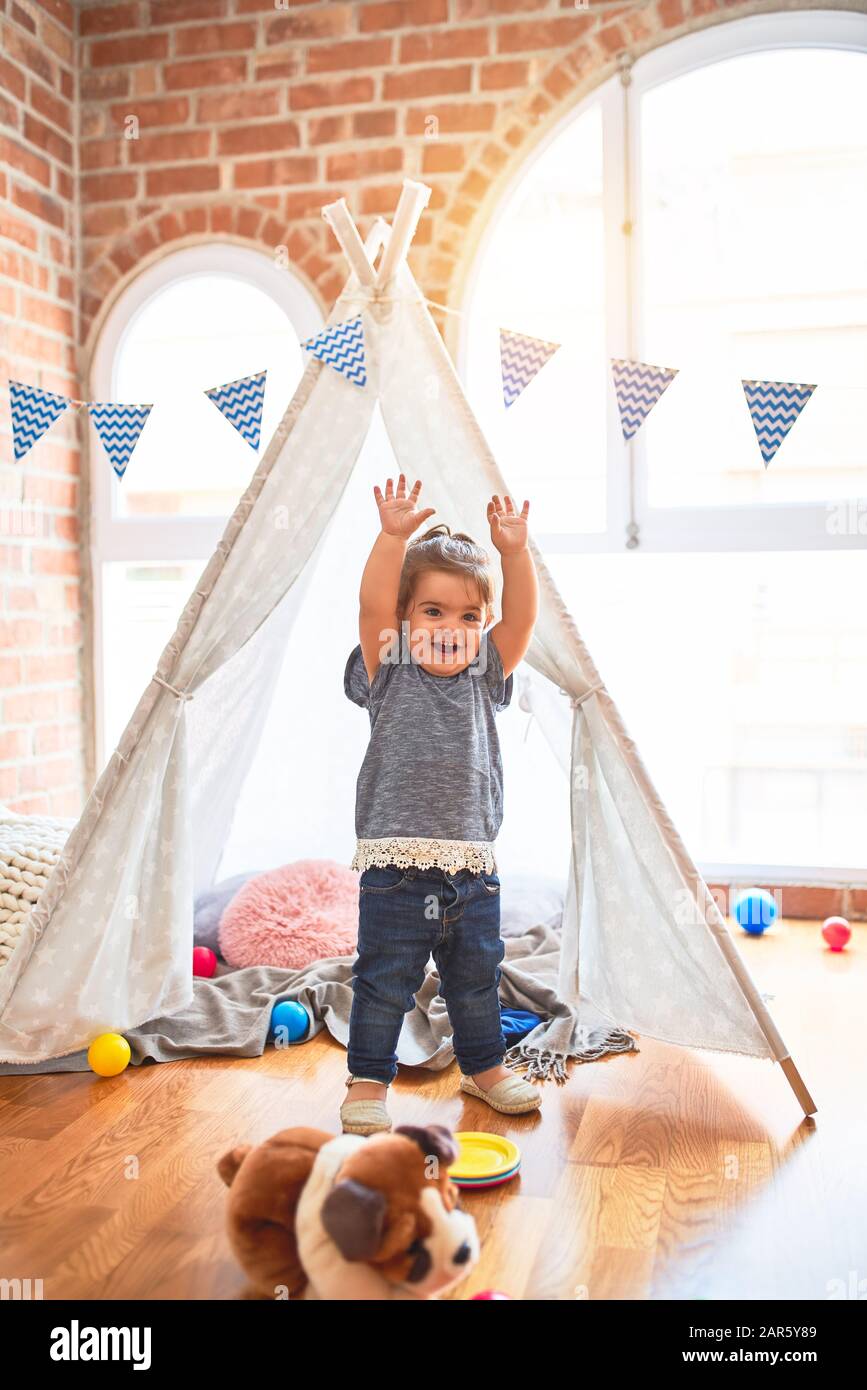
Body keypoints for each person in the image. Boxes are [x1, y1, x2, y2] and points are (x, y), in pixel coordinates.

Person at [341, 474, 541, 1135]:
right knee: (383, 982)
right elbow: (371, 606)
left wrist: (512, 553)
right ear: (404, 620)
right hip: (396, 873)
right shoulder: (389, 666)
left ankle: (484, 1071)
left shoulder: (486, 671)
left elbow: (522, 620)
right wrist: (391, 537)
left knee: (476, 978)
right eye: (432, 611)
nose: (451, 629)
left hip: (472, 871)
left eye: (466, 616)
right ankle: (367, 1084)